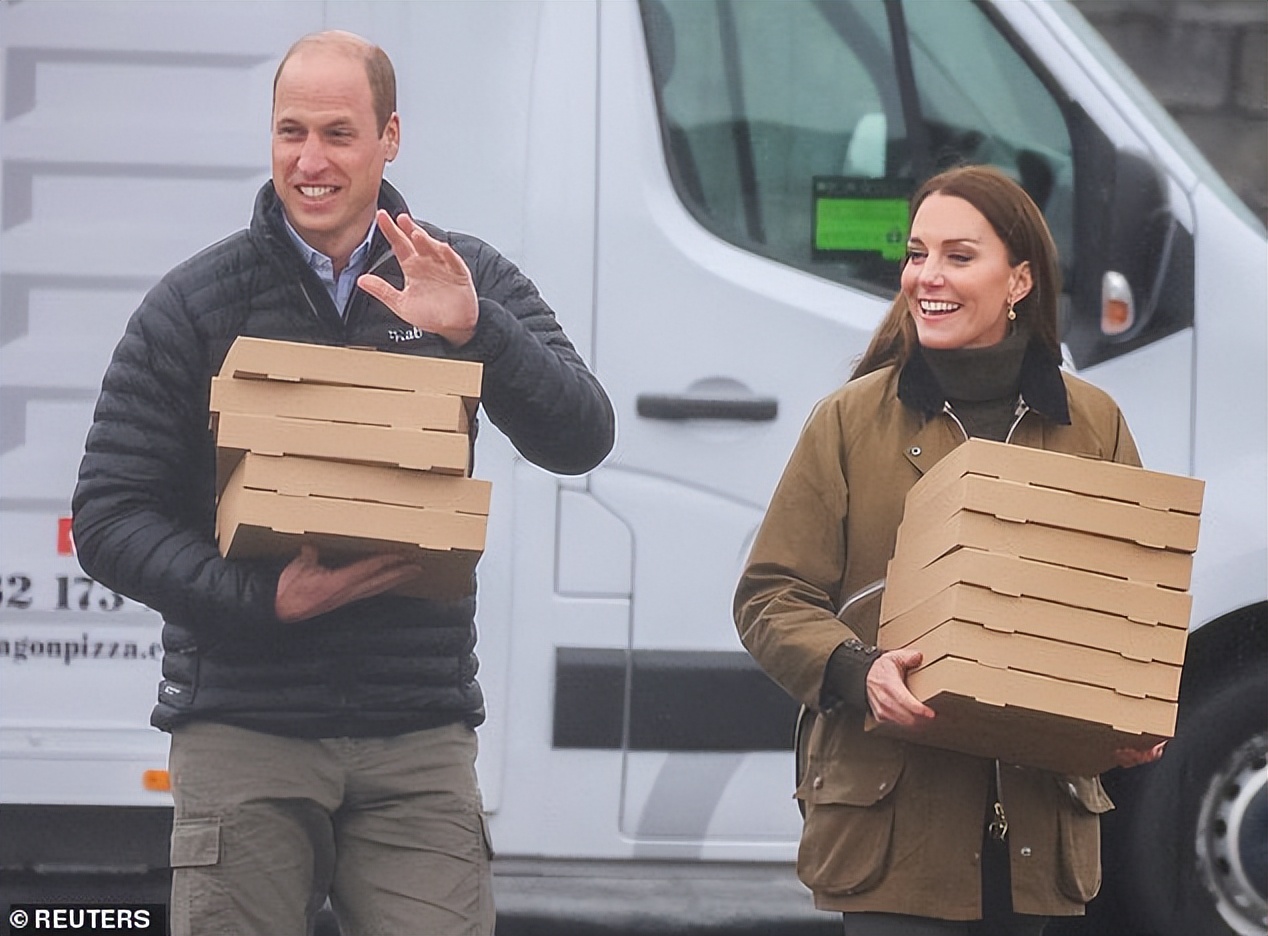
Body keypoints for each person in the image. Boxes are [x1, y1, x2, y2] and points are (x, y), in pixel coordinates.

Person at [72, 30, 614, 936]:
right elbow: (108, 516)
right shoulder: (196, 302)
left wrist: (478, 330)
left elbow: (580, 437)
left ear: (390, 137)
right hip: (244, 728)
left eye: (338, 133)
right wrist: (263, 599)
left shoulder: (460, 275)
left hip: (418, 734)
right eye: (291, 132)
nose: (310, 161)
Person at [733, 165, 1162, 936]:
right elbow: (771, 597)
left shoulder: (1095, 424)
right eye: (916, 253)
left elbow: (1126, 604)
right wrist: (854, 671)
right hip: (893, 834)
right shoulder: (849, 420)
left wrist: (1130, 710)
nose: (926, 276)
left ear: (1019, 280)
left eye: (958, 256)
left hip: (1037, 837)